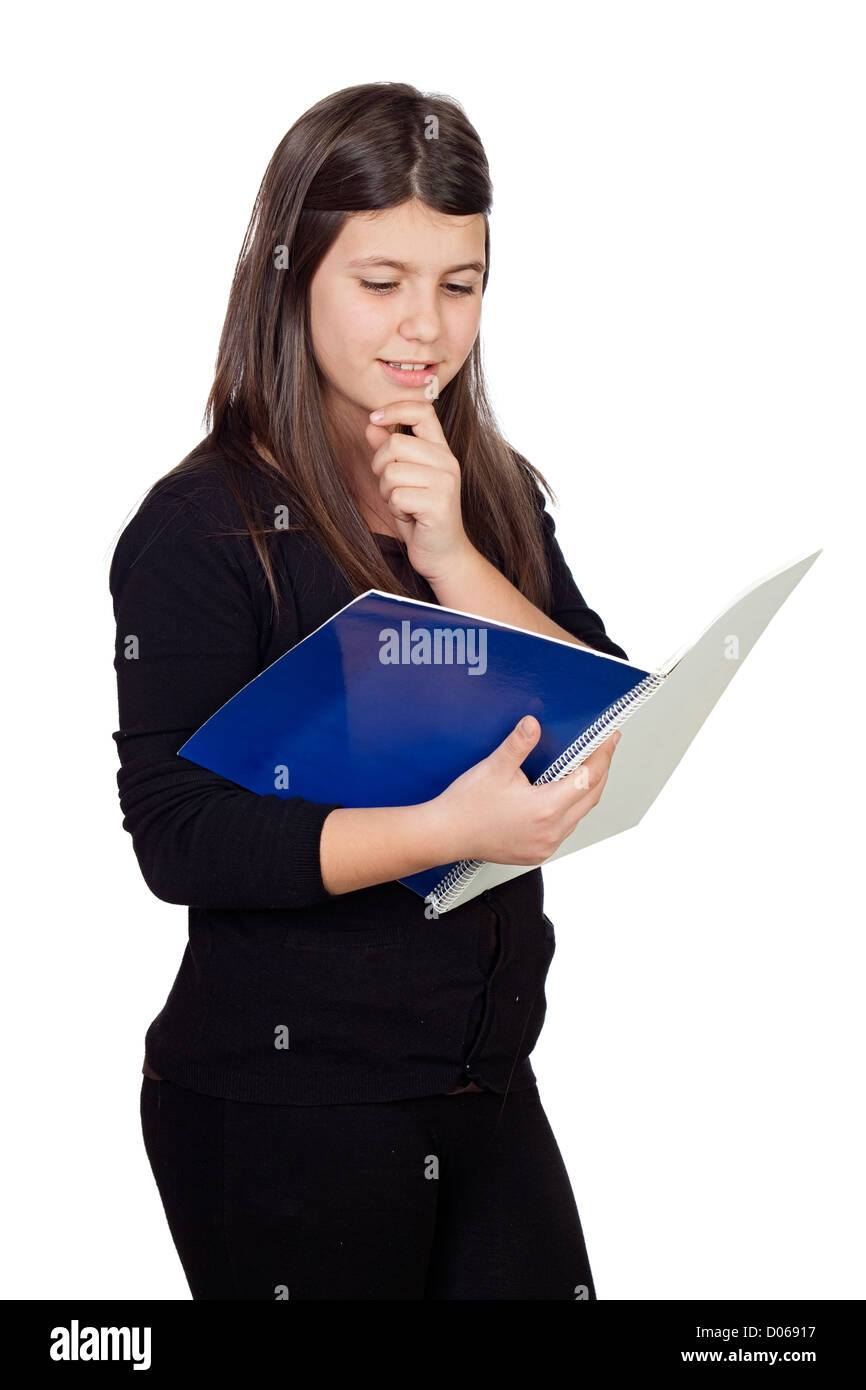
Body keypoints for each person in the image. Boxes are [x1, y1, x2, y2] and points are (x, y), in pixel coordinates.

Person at [109, 81, 627, 1301]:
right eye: (379, 279)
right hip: (286, 1102)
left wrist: (451, 554)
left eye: (459, 281)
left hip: (483, 1079)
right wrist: (449, 833)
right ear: (293, 278)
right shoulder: (200, 530)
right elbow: (179, 836)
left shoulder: (486, 494)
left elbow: (596, 712)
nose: (426, 327)